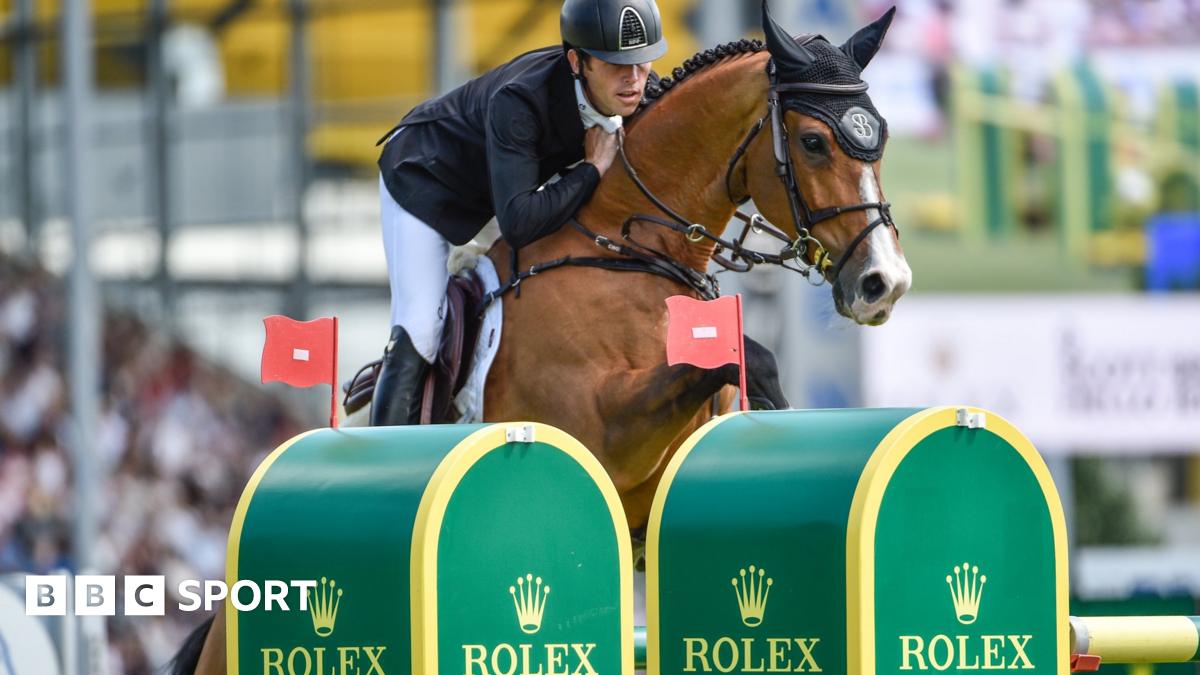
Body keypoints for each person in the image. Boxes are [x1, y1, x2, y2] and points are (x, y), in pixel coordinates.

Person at [370, 0, 668, 426]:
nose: (634, 78)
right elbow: (519, 223)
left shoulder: (639, 89)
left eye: (642, 62)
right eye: (616, 65)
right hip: (425, 178)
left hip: (502, 191)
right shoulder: (521, 100)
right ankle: (383, 453)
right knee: (420, 328)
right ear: (577, 62)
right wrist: (592, 169)